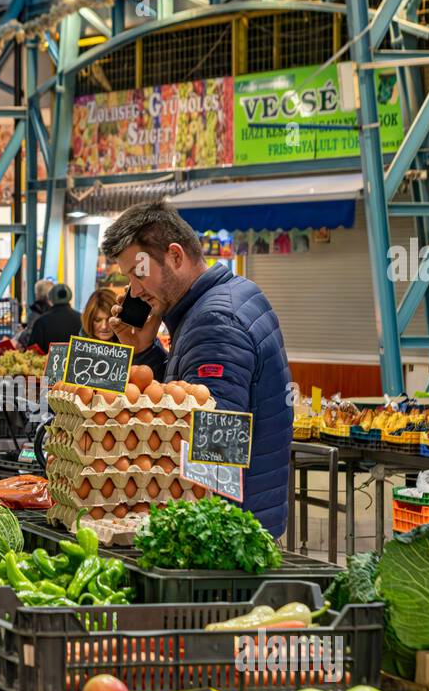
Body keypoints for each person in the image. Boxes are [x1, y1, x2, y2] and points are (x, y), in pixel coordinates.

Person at [103, 202, 291, 536]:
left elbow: (214, 452)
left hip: (223, 535)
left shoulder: (215, 322)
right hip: (242, 524)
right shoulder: (234, 294)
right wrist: (145, 350)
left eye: (139, 272)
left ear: (175, 255)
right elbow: (187, 399)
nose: (134, 290)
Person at [25, 283, 83, 354]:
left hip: (48, 364)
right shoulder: (82, 319)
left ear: (50, 298)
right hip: (76, 364)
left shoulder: (41, 321)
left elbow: (33, 350)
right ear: (70, 297)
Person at [16, 279, 54, 347]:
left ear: (39, 294)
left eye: (36, 292)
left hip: (39, 352)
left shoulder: (37, 311)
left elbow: (29, 335)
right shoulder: (54, 310)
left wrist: (20, 338)